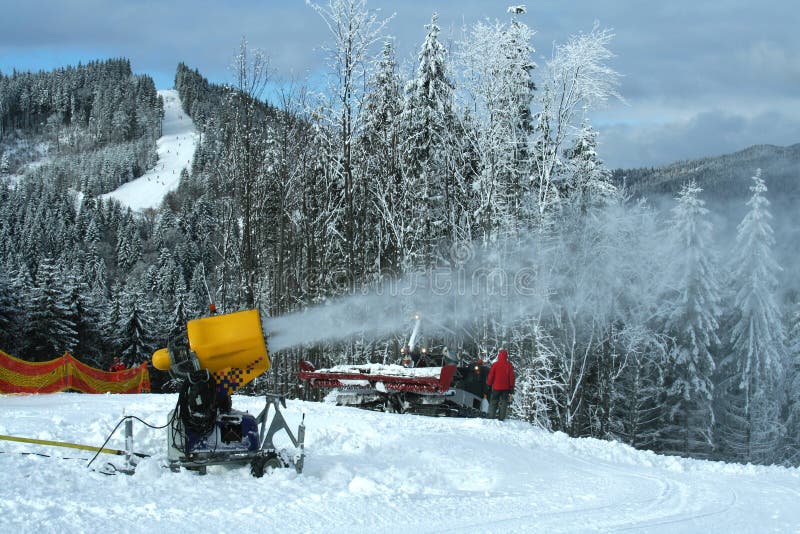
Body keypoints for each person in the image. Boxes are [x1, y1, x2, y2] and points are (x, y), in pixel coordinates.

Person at [486, 348, 515, 420]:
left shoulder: (495, 364)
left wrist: (489, 384)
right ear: (506, 356)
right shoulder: (509, 365)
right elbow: (512, 377)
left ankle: (491, 417)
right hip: (506, 388)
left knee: (493, 402)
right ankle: (501, 418)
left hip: (496, 388)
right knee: (504, 403)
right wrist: (511, 388)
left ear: (499, 355)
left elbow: (491, 375)